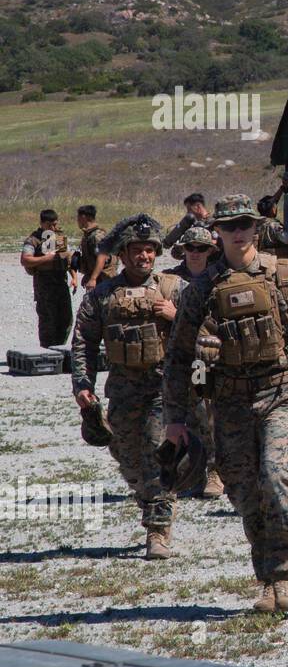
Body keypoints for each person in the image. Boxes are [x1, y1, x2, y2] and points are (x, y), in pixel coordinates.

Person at [163, 194, 288, 614]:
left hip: (279, 391)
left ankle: (284, 574)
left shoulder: (285, 274)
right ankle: (267, 578)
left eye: (244, 224)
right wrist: (175, 419)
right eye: (229, 226)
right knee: (245, 490)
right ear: (219, 232)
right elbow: (177, 357)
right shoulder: (203, 288)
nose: (238, 232)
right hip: (227, 400)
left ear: (254, 227)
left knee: (277, 478)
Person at [71, 215, 186, 558]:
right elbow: (83, 342)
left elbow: (203, 329)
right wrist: (83, 384)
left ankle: (158, 529)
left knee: (158, 455)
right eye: (137, 250)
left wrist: (175, 315)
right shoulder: (104, 295)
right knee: (127, 458)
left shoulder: (173, 289)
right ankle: (146, 497)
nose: (144, 257)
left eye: (150, 251)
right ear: (123, 254)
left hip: (161, 389)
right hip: (121, 389)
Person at [164, 225, 224, 500]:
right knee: (175, 415)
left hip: (205, 361)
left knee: (204, 411)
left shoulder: (218, 280)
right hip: (177, 359)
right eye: (191, 248)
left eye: (202, 249)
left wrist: (175, 314)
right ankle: (185, 471)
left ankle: (213, 470)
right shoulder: (168, 280)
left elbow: (218, 322)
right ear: (183, 250)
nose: (196, 253)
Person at [20, 209, 75, 346]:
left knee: (66, 319)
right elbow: (25, 260)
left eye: (55, 224)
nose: (53, 228)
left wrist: (74, 277)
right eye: (50, 225)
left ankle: (60, 348)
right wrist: (46, 259)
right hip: (44, 287)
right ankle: (47, 352)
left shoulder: (58, 237)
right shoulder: (33, 240)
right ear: (42, 223)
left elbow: (65, 259)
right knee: (48, 322)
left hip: (61, 285)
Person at [74, 204, 117, 291]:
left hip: (105, 280)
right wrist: (88, 275)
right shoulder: (88, 236)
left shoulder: (97, 236)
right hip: (97, 279)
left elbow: (102, 258)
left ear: (83, 217)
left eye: (78, 217)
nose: (77, 220)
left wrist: (93, 278)